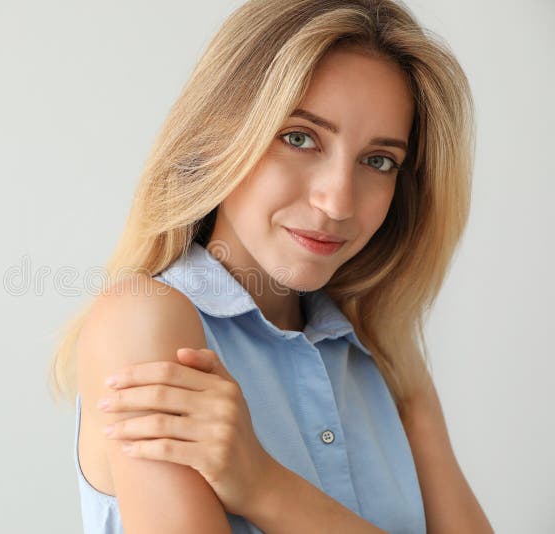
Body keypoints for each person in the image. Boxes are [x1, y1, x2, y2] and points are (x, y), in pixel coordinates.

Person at [49, 0, 494, 532]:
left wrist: (264, 485)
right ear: (220, 135)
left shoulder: (385, 351)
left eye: (378, 161)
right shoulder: (145, 321)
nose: (337, 202)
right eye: (300, 138)